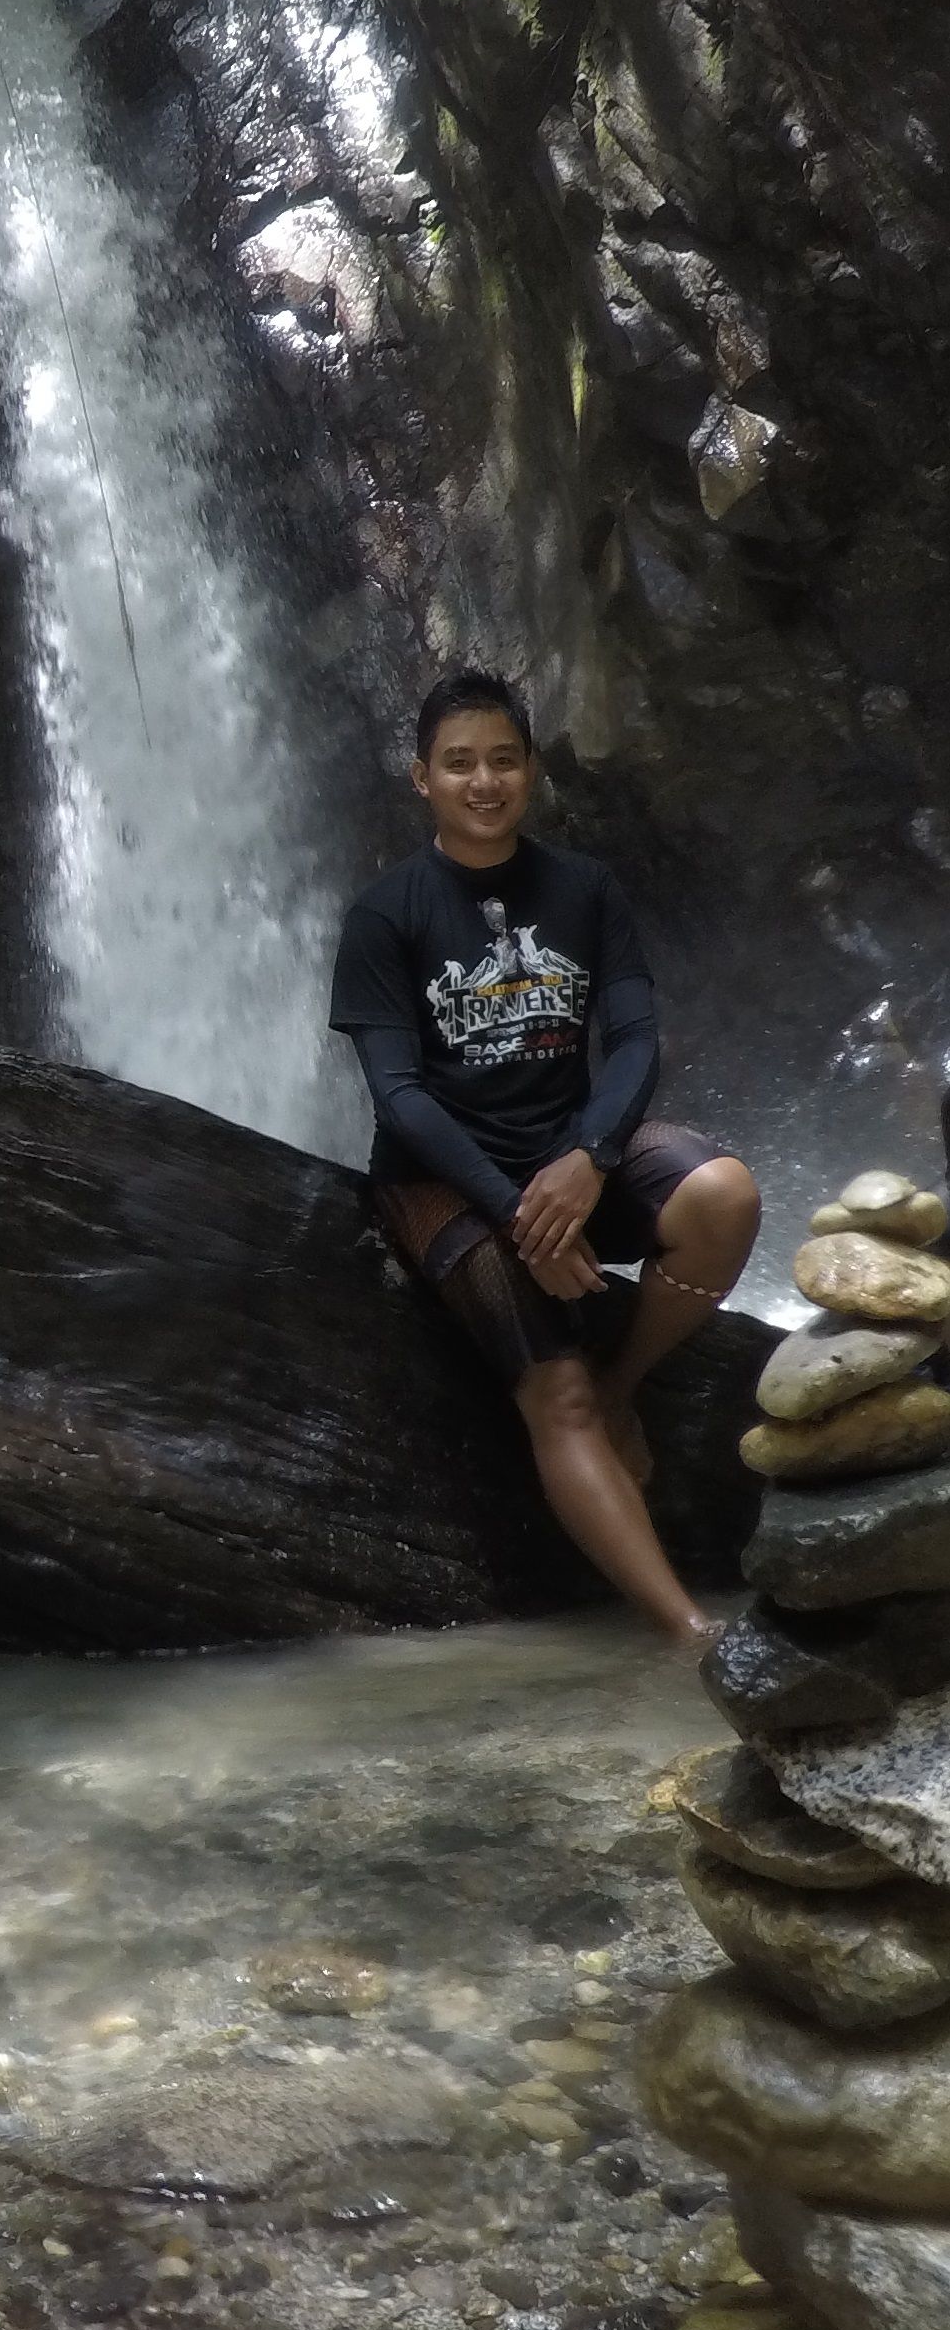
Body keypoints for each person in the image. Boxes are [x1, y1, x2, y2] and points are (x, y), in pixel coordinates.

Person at [328, 669, 761, 1646]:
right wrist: (515, 1211)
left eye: (502, 760)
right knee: (552, 1391)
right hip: (440, 1177)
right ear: (420, 779)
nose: (483, 780)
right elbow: (396, 1093)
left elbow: (637, 1042)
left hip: (566, 1151)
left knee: (723, 1194)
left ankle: (625, 1386)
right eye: (458, 763)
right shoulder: (384, 915)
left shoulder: (583, 888)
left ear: (528, 770)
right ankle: (691, 1633)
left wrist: (588, 1156)